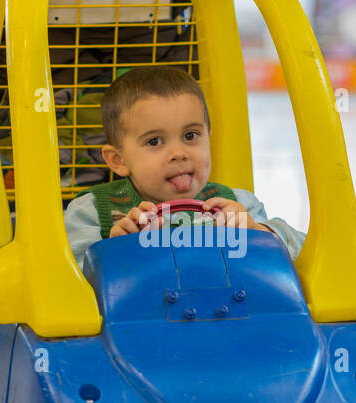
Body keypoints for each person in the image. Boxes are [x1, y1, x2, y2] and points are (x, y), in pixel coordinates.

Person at [64, 66, 306, 268]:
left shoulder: (238, 204)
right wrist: (113, 250)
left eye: (190, 135)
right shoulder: (91, 212)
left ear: (209, 137)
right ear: (119, 160)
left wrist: (260, 233)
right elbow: (65, 278)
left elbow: (304, 252)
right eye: (154, 141)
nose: (179, 153)